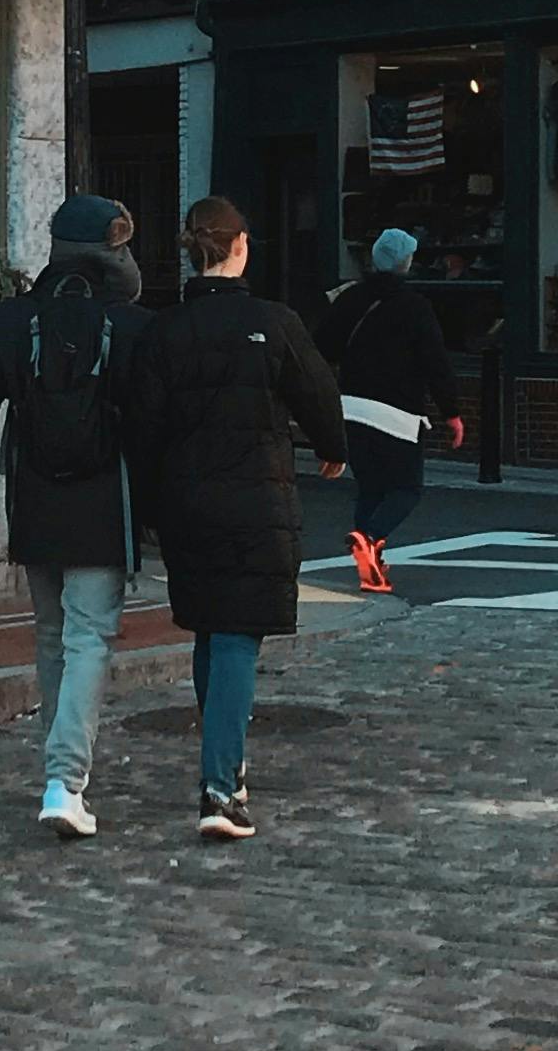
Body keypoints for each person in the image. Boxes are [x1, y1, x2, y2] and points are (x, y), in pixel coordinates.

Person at [0, 191, 148, 840]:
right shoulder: (133, 325)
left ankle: (60, 776)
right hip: (104, 505)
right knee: (89, 637)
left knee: (52, 635)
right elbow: (157, 429)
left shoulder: (11, 320)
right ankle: (65, 781)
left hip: (36, 500)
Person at [128, 193, 348, 842]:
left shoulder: (162, 331)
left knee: (211, 628)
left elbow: (142, 429)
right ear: (241, 246)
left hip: (187, 503)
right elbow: (320, 396)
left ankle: (228, 767)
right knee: (235, 637)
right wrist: (332, 449)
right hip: (256, 500)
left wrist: (148, 507)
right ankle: (221, 787)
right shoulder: (274, 323)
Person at [316, 227, 463, 595]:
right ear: (406, 263)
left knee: (370, 487)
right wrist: (451, 412)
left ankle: (371, 568)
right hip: (397, 414)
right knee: (406, 489)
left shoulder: (350, 299)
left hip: (351, 407)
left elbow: (322, 348)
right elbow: (435, 363)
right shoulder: (415, 307)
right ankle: (370, 537)